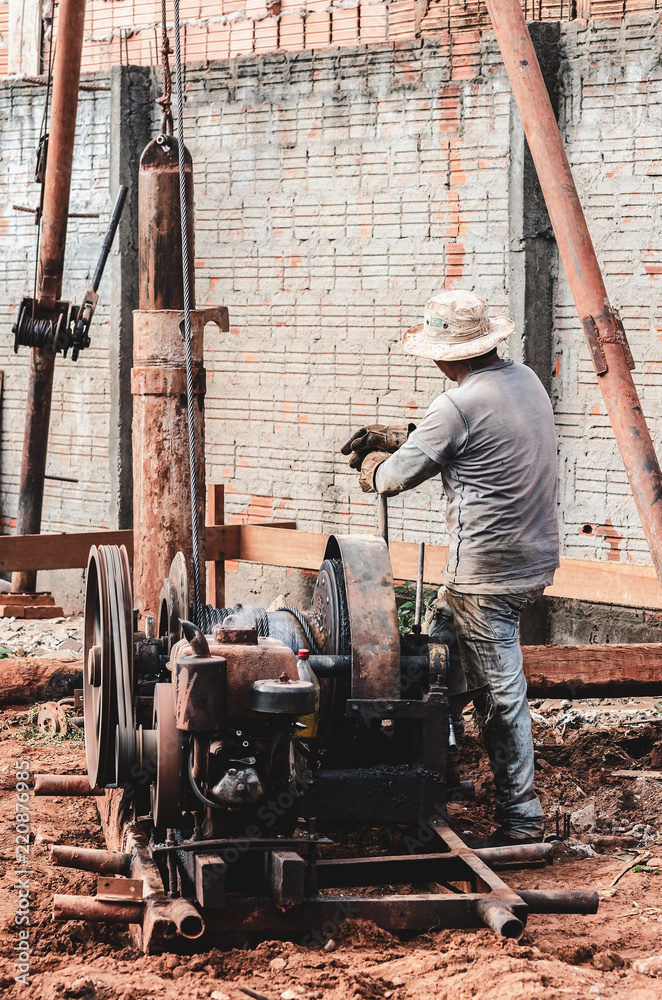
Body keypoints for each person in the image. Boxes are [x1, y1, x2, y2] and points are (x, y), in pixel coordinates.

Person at [341, 289, 559, 846]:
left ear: (448, 355)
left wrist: (373, 464)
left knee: (499, 692)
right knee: (435, 659)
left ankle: (521, 820)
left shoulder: (455, 405)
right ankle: (440, 773)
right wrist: (401, 435)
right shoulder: (524, 380)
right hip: (532, 559)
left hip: (485, 572)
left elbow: (393, 478)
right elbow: (471, 438)